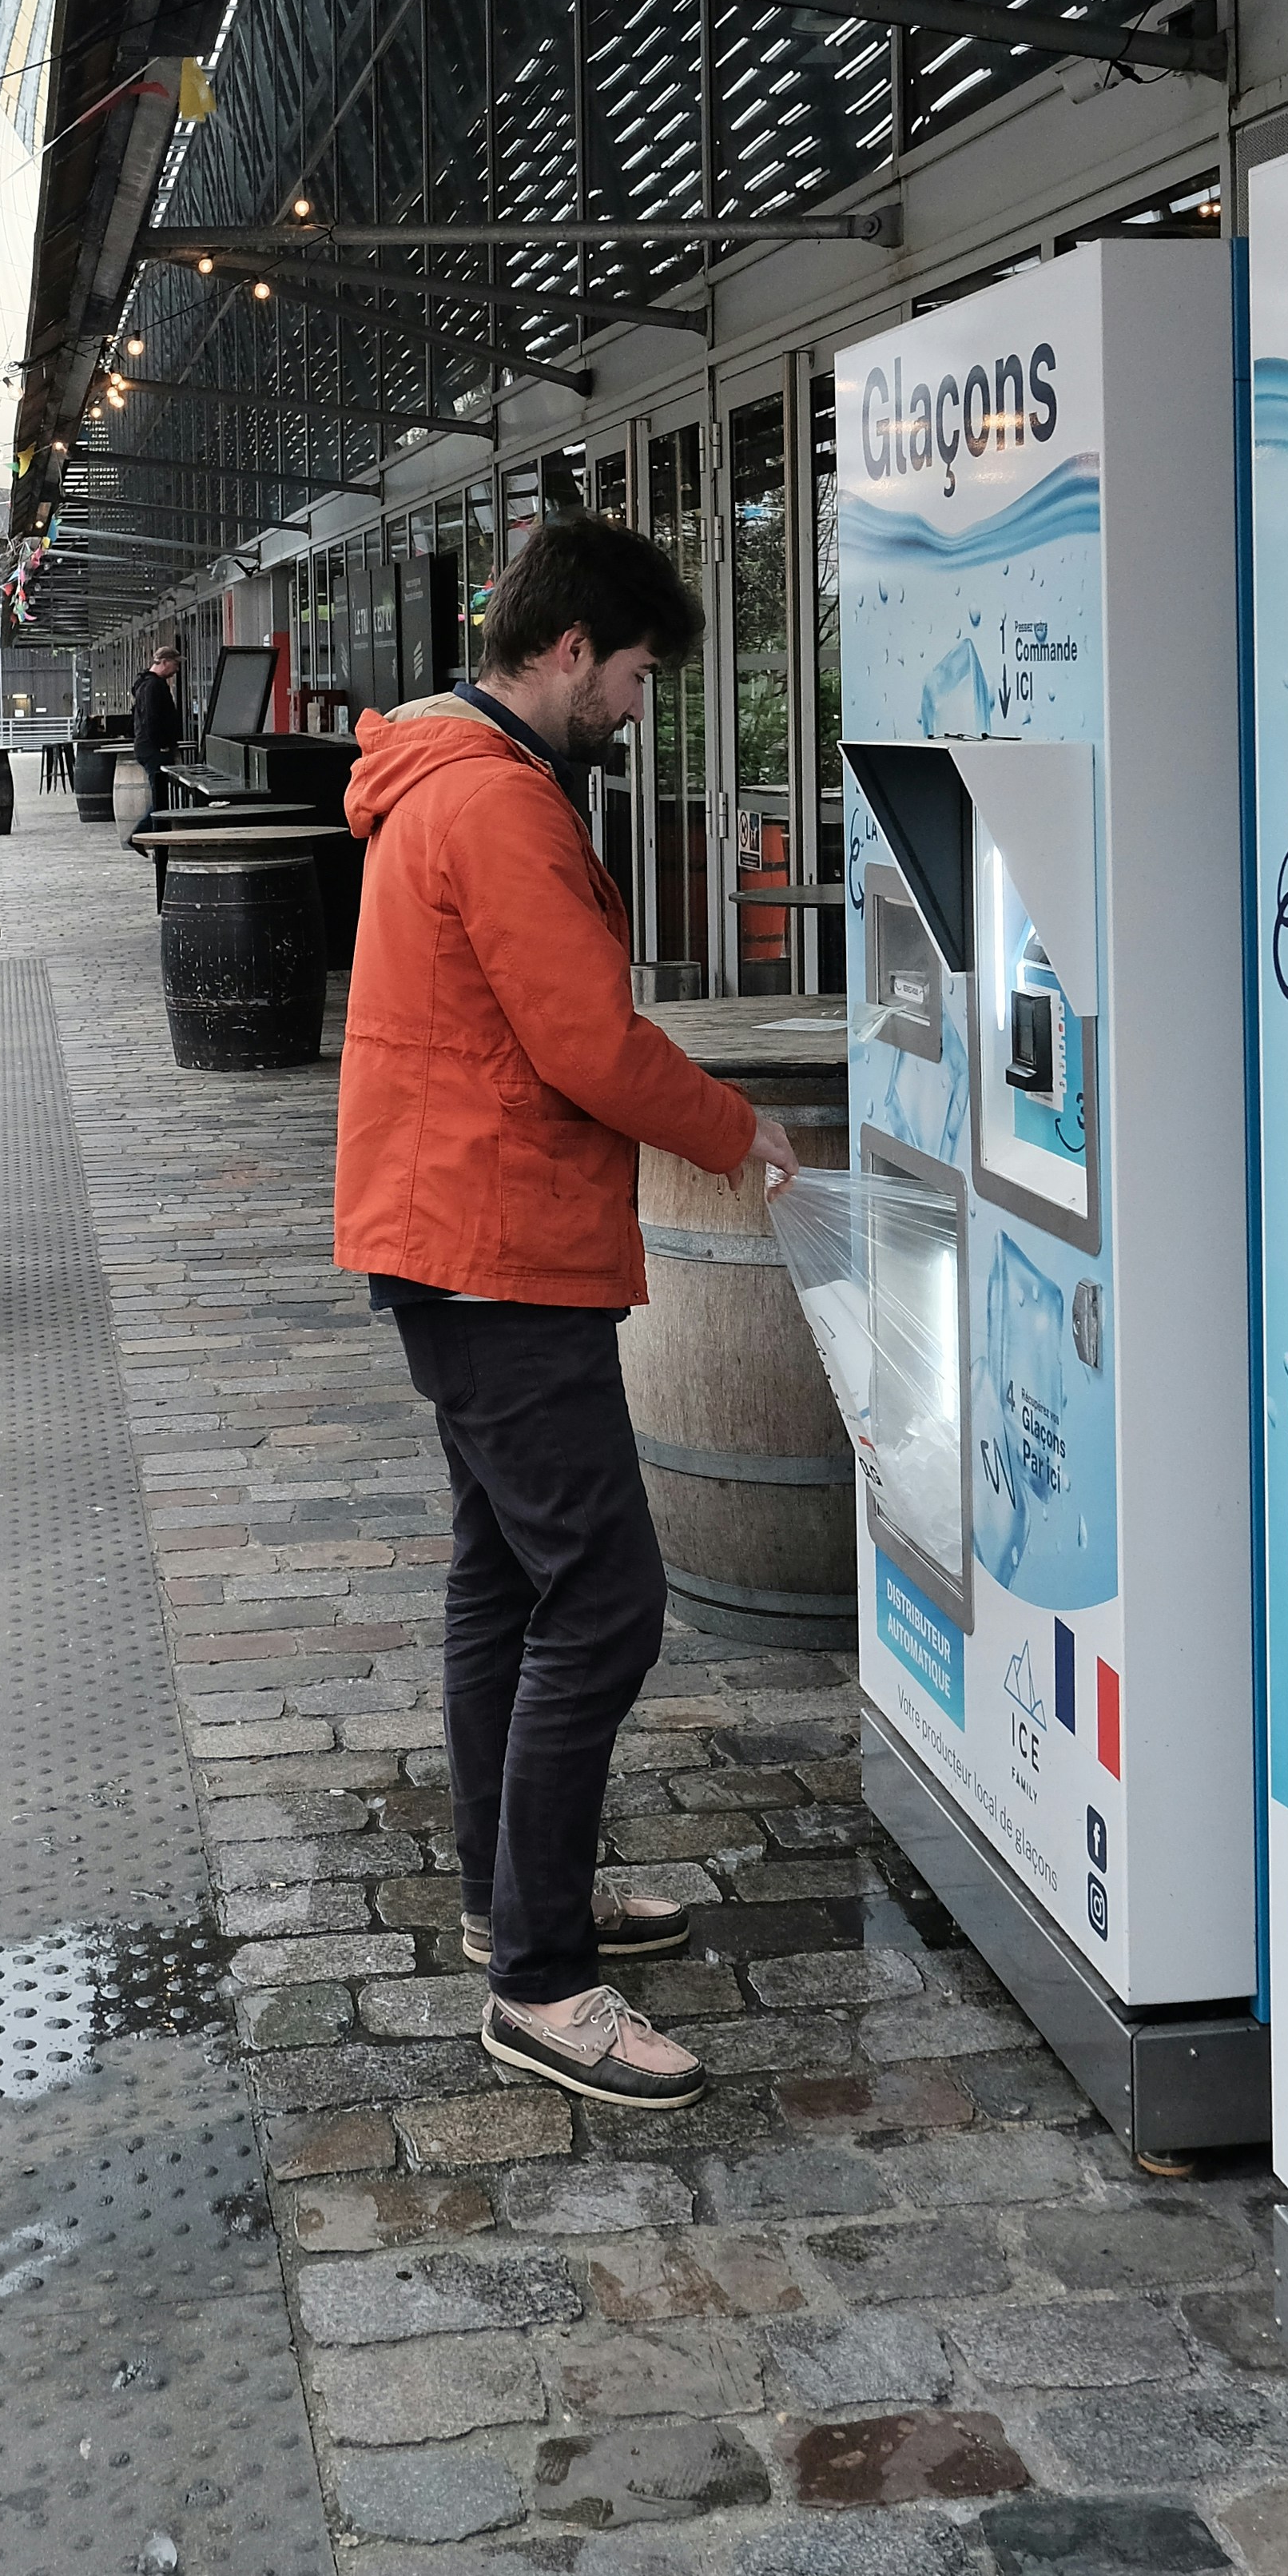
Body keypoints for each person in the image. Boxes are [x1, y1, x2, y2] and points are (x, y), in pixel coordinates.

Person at [334, 518, 795, 2114]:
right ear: (570, 649)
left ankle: (505, 1895)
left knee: (506, 1581)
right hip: (495, 1246)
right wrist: (738, 1128)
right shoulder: (497, 804)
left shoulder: (456, 779)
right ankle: (539, 1985)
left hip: (457, 1237)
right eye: (638, 676)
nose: (639, 709)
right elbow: (588, 1044)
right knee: (603, 1602)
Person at [129, 639, 182, 831]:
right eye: (175, 664)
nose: (176, 670)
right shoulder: (154, 686)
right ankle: (141, 835)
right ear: (165, 662)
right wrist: (163, 744)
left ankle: (151, 836)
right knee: (161, 798)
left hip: (147, 747)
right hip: (154, 749)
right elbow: (152, 719)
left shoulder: (144, 684)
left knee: (161, 796)